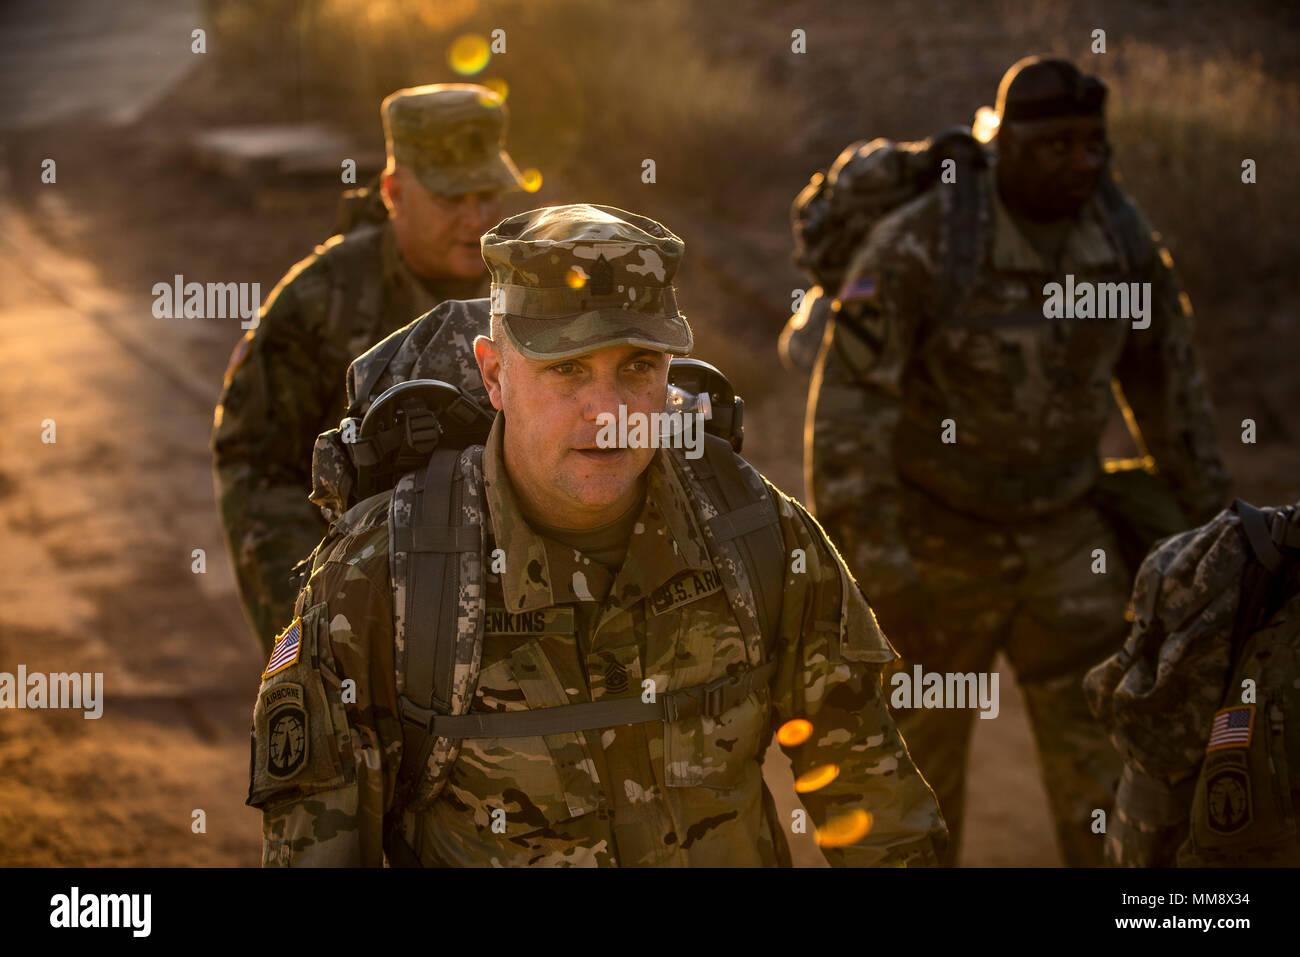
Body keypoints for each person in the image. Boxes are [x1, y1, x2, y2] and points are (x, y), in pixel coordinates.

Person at [246, 203, 947, 867]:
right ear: (495, 373)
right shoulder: (388, 577)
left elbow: (878, 810)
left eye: (637, 367)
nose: (608, 411)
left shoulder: (760, 537)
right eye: (567, 370)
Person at [805, 55, 1230, 866]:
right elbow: (849, 417)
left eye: (1094, 145)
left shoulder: (1123, 242)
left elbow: (1173, 398)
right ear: (1005, 147)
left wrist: (1217, 542)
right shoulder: (920, 245)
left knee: (1117, 782)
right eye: (1057, 145)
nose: (1083, 163)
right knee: (909, 792)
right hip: (933, 542)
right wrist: (878, 573)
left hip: (1067, 539)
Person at [212, 83, 523, 651]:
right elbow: (256, 468)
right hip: (368, 615)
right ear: (393, 192)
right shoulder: (322, 301)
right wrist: (308, 627)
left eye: (487, 195)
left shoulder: (532, 288)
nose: (475, 219)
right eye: (451, 199)